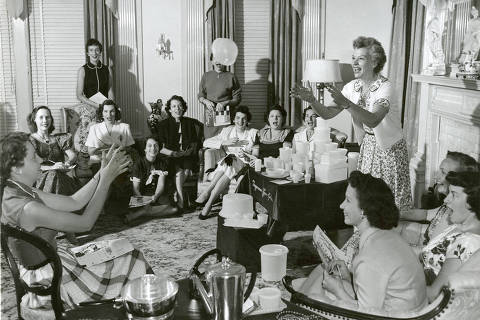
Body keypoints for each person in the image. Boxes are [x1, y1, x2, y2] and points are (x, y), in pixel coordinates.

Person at [0, 133, 151, 309]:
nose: (41, 159)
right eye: (34, 156)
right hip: (51, 279)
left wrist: (102, 172)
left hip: (48, 263)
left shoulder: (15, 189)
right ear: (16, 168)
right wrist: (106, 181)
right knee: (133, 257)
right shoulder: (28, 208)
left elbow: (74, 201)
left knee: (120, 246)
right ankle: (144, 309)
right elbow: (85, 223)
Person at [291, 36, 411, 212]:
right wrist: (312, 100)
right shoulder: (352, 87)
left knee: (388, 202)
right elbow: (327, 113)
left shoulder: (386, 87)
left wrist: (346, 103)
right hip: (368, 147)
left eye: (360, 58)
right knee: (365, 200)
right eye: (353, 58)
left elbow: (373, 119)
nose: (354, 62)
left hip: (389, 150)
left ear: (374, 62)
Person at [299, 171, 427, 314]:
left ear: (364, 210)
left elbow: (366, 315)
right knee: (322, 270)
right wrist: (349, 277)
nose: (341, 205)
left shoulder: (369, 257)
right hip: (407, 311)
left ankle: (296, 311)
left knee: (314, 296)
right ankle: (297, 307)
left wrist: (338, 290)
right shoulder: (388, 237)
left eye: (347, 200)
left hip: (394, 317)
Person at [398, 152, 479, 248]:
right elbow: (426, 214)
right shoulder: (447, 205)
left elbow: (430, 250)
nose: (436, 176)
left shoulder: (455, 215)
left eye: (443, 172)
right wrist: (397, 213)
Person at [421, 171, 480, 302]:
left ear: (472, 202)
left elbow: (434, 294)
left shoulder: (467, 242)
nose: (446, 199)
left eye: (454, 194)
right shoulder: (457, 228)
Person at [195, 106, 259, 219]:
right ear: (234, 119)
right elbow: (206, 142)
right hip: (228, 163)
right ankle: (209, 203)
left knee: (230, 160)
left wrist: (247, 155)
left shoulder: (253, 133)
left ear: (247, 120)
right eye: (238, 118)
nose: (240, 121)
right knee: (229, 162)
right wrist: (225, 142)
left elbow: (255, 155)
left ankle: (207, 194)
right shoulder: (228, 131)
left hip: (245, 164)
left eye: (244, 118)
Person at [156, 95, 198, 211]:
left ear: (183, 108)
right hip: (170, 156)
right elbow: (160, 147)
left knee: (186, 168)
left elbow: (194, 143)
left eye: (180, 106)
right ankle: (181, 199)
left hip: (186, 156)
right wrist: (174, 153)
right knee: (179, 171)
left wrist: (187, 152)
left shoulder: (189, 124)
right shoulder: (163, 125)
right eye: (174, 106)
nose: (177, 109)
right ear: (169, 109)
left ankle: (175, 193)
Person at [27, 106, 79, 196]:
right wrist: (52, 168)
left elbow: (72, 155)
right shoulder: (30, 140)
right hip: (38, 180)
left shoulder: (59, 139)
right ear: (34, 120)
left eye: (47, 117)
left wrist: (67, 163)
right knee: (52, 174)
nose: (45, 120)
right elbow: (29, 164)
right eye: (41, 117)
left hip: (61, 178)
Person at [124, 137, 178, 223]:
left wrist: (155, 197)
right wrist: (145, 203)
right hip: (139, 195)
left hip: (154, 194)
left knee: (174, 209)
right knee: (171, 210)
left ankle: (141, 213)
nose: (153, 148)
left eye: (155, 145)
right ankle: (144, 211)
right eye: (149, 146)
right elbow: (136, 189)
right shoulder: (138, 164)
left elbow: (161, 185)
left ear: (159, 148)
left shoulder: (162, 163)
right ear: (145, 149)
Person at [74, 38, 113, 154]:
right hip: (89, 105)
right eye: (91, 50)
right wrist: (96, 105)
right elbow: (79, 95)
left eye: (97, 50)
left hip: (105, 105)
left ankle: (108, 154)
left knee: (114, 124)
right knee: (91, 126)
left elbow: (110, 90)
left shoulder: (107, 69)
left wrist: (111, 105)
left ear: (100, 52)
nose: (94, 53)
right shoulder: (83, 70)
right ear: (87, 53)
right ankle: (90, 155)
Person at [198, 53, 242, 139]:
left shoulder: (231, 77)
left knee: (226, 140)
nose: (218, 61)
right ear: (212, 61)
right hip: (210, 115)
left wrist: (225, 103)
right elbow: (200, 95)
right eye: (216, 58)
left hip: (226, 115)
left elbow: (237, 99)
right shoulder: (206, 76)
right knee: (211, 143)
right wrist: (205, 101)